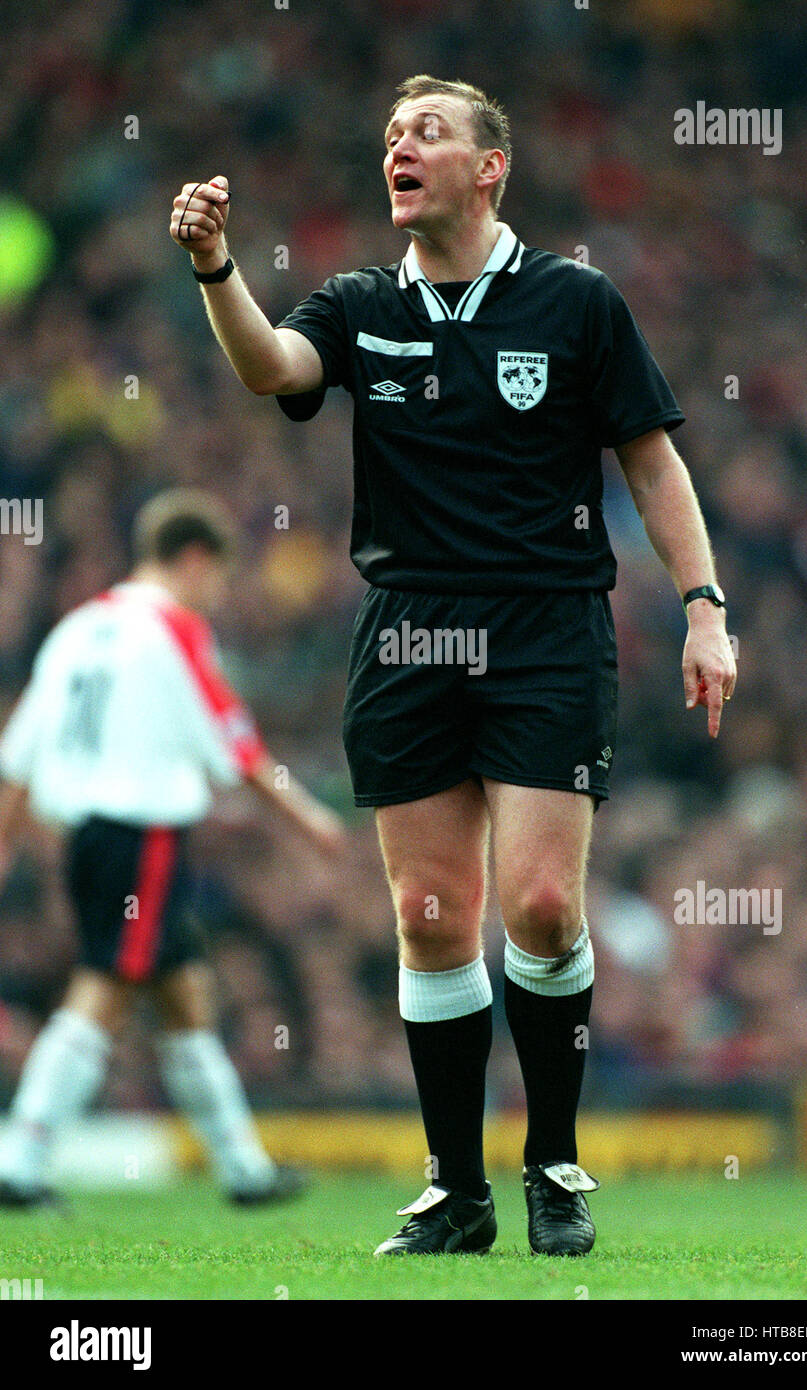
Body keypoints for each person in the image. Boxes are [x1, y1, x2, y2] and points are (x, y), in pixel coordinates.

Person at [169, 74, 736, 1256]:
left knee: (538, 906)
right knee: (431, 921)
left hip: (544, 628)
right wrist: (218, 269)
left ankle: (554, 1164)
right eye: (388, 136)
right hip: (409, 629)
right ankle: (454, 1189)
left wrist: (702, 609)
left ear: (490, 167)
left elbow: (651, 464)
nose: (399, 148)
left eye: (427, 132)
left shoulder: (575, 301)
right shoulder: (361, 302)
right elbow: (273, 369)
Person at [0, 488, 345, 1208]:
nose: (216, 594)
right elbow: (239, 744)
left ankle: (244, 1170)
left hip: (87, 834)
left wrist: (4, 844)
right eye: (218, 576)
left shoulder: (77, 630)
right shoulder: (172, 629)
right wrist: (309, 818)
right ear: (194, 559)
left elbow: (17, 757)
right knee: (105, 986)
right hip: (142, 832)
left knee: (185, 992)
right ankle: (20, 1158)